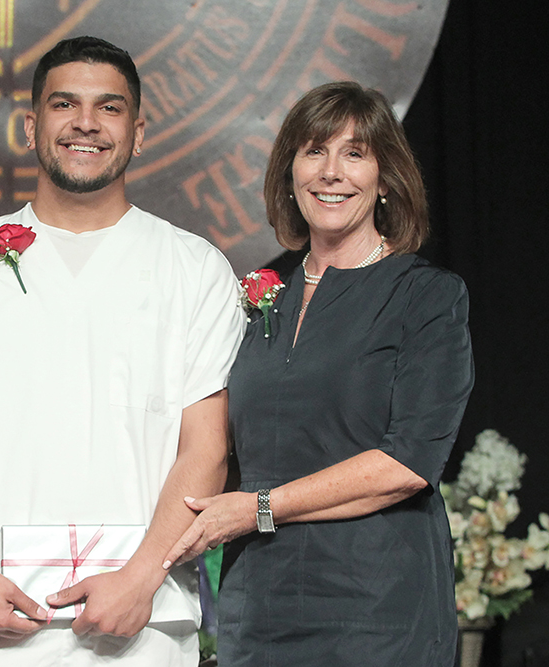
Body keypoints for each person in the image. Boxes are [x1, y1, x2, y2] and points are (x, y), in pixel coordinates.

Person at [0, 36, 245, 666]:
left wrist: (142, 577)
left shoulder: (195, 267)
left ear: (137, 132)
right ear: (31, 126)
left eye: (109, 108)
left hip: (144, 618)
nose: (85, 123)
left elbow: (206, 446)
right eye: (64, 105)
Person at [164, 81, 474, 665]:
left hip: (379, 614)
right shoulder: (260, 301)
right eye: (314, 151)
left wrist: (259, 507)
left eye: (354, 153)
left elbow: (408, 463)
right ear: (290, 173)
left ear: (385, 180)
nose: (331, 172)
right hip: (259, 609)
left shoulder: (426, 297)